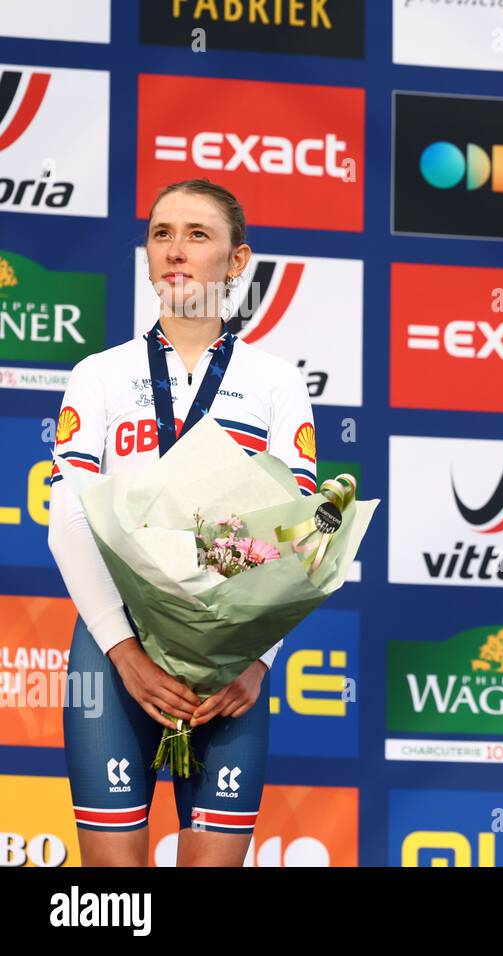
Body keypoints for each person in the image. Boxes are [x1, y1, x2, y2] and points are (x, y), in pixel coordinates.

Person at [48, 179, 318, 867]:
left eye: (198, 235)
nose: (175, 251)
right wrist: (124, 652)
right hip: (116, 656)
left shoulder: (276, 383)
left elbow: (303, 532)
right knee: (115, 897)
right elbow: (69, 517)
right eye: (162, 234)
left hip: (231, 666)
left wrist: (259, 659)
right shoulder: (100, 375)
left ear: (236, 261)